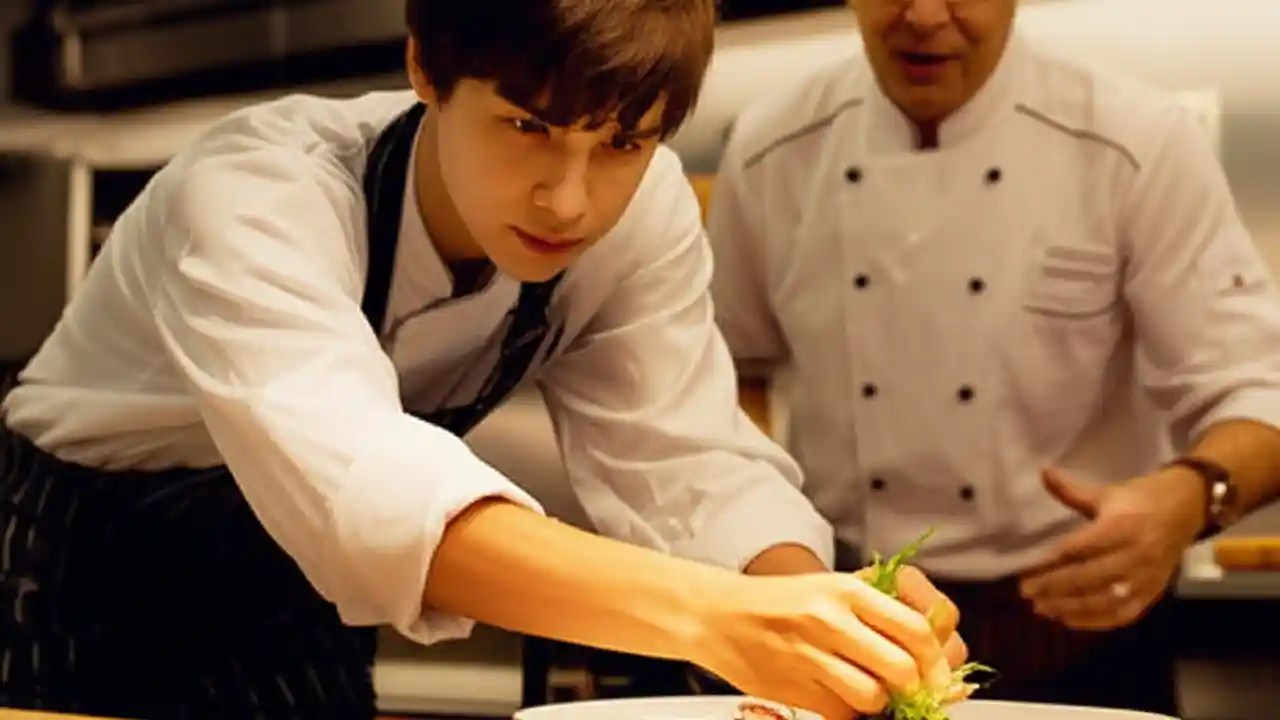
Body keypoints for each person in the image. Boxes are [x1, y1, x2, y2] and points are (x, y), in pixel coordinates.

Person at [0, 1, 971, 719]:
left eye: (622, 142)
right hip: (74, 566)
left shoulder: (640, 213)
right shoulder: (253, 192)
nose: (569, 201)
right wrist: (720, 621)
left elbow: (685, 461)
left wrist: (823, 612)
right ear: (425, 67)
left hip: (285, 591)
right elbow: (367, 483)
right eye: (528, 128)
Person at [706, 0, 1280, 715]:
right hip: (856, 611)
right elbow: (724, 374)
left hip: (1079, 619)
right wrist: (766, 553)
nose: (923, 16)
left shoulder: (1135, 138)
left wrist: (1188, 499)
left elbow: (1258, 390)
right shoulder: (773, 142)